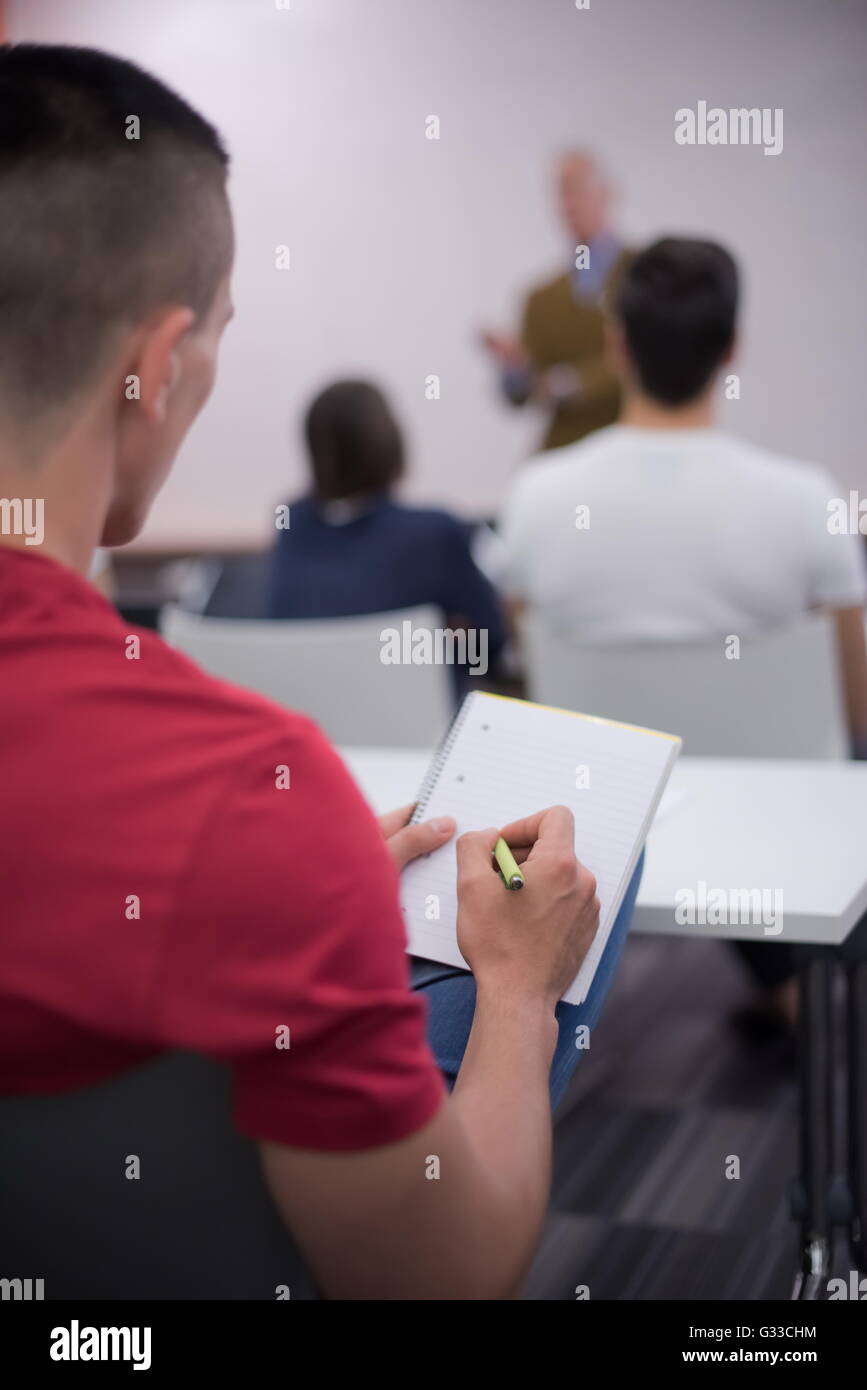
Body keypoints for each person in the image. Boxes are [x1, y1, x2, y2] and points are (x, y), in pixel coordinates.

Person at [0, 43, 641, 1301]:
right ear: (158, 361)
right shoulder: (247, 788)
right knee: (550, 889)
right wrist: (513, 990)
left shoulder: (254, 783)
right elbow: (444, 1283)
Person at [499, 236, 867, 1029]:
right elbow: (853, 709)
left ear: (615, 344)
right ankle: (808, 992)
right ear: (731, 347)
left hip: (600, 818)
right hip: (781, 832)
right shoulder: (807, 501)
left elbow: (530, 663)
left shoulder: (535, 498)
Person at [266, 379, 507, 687]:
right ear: (390, 443)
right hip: (421, 725)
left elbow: (283, 632)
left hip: (317, 723)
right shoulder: (434, 531)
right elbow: (490, 645)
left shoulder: (292, 523)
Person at [481, 150, 624, 452]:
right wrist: (514, 367)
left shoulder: (646, 274)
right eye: (561, 194)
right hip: (564, 451)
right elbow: (523, 396)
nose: (568, 205)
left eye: (577, 189)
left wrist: (569, 383)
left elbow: (652, 361)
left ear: (606, 193)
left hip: (628, 443)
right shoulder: (540, 297)